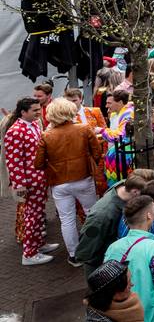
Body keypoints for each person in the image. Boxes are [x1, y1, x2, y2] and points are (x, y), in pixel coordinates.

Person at [36, 97, 102, 266]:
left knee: (67, 220)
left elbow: (38, 163)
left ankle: (74, 254)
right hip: (83, 178)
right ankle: (95, 248)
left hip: (59, 182)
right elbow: (97, 152)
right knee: (91, 213)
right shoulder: (84, 129)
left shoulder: (47, 135)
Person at [103, 195, 154, 322]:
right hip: (153, 315)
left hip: (123, 315)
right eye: (153, 209)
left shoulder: (112, 248)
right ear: (148, 215)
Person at [3, 97, 56, 265]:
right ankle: (29, 253)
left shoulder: (33, 124)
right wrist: (19, 185)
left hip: (39, 179)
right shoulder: (15, 131)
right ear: (23, 112)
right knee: (31, 216)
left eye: (39, 109)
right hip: (29, 182)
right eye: (35, 110)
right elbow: (13, 161)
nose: (39, 112)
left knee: (38, 214)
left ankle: (38, 244)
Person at [76, 174, 147, 278]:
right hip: (99, 264)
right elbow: (88, 241)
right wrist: (85, 258)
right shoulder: (102, 215)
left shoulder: (123, 186)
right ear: (135, 192)